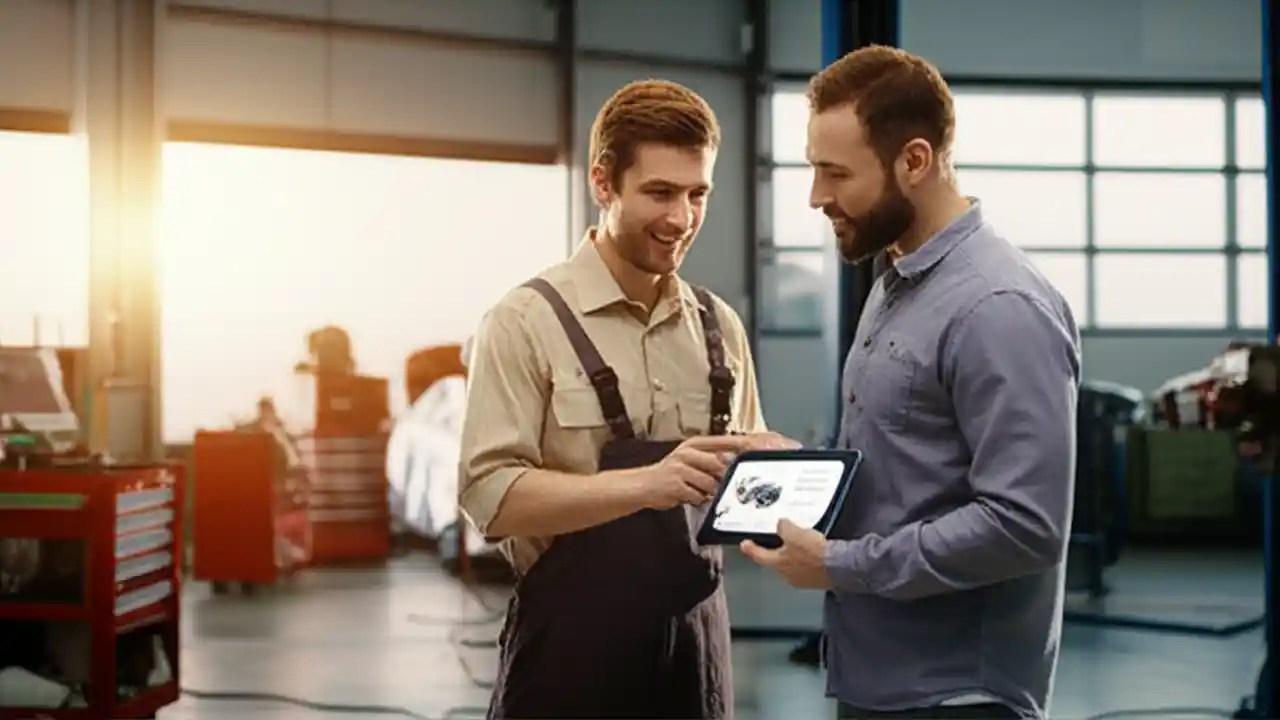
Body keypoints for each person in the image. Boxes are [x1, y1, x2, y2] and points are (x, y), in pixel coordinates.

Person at [741, 45, 1081, 720]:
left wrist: (842, 563)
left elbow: (1026, 526)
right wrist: (803, 472)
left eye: (835, 173)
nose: (817, 197)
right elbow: (913, 472)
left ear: (915, 161)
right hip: (880, 681)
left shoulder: (998, 307)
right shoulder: (896, 279)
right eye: (813, 170)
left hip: (957, 697)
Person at [457, 79, 795, 720]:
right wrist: (648, 485)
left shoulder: (719, 326)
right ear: (603, 182)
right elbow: (489, 498)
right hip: (572, 655)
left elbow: (741, 506)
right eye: (660, 192)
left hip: (696, 657)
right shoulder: (525, 321)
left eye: (699, 194)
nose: (682, 218)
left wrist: (774, 471)